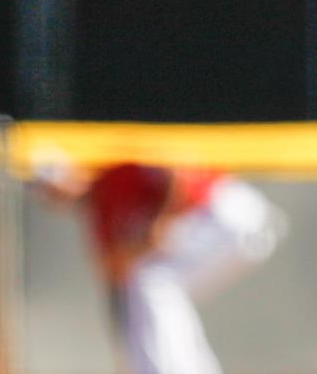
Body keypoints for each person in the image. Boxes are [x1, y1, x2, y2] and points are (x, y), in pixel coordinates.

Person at [34, 157, 287, 374]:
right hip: (231, 236)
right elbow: (116, 271)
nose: (57, 192)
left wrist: (162, 219)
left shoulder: (118, 171)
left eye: (58, 181)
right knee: (154, 288)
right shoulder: (99, 218)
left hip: (229, 214)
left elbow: (178, 173)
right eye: (48, 191)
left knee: (150, 282)